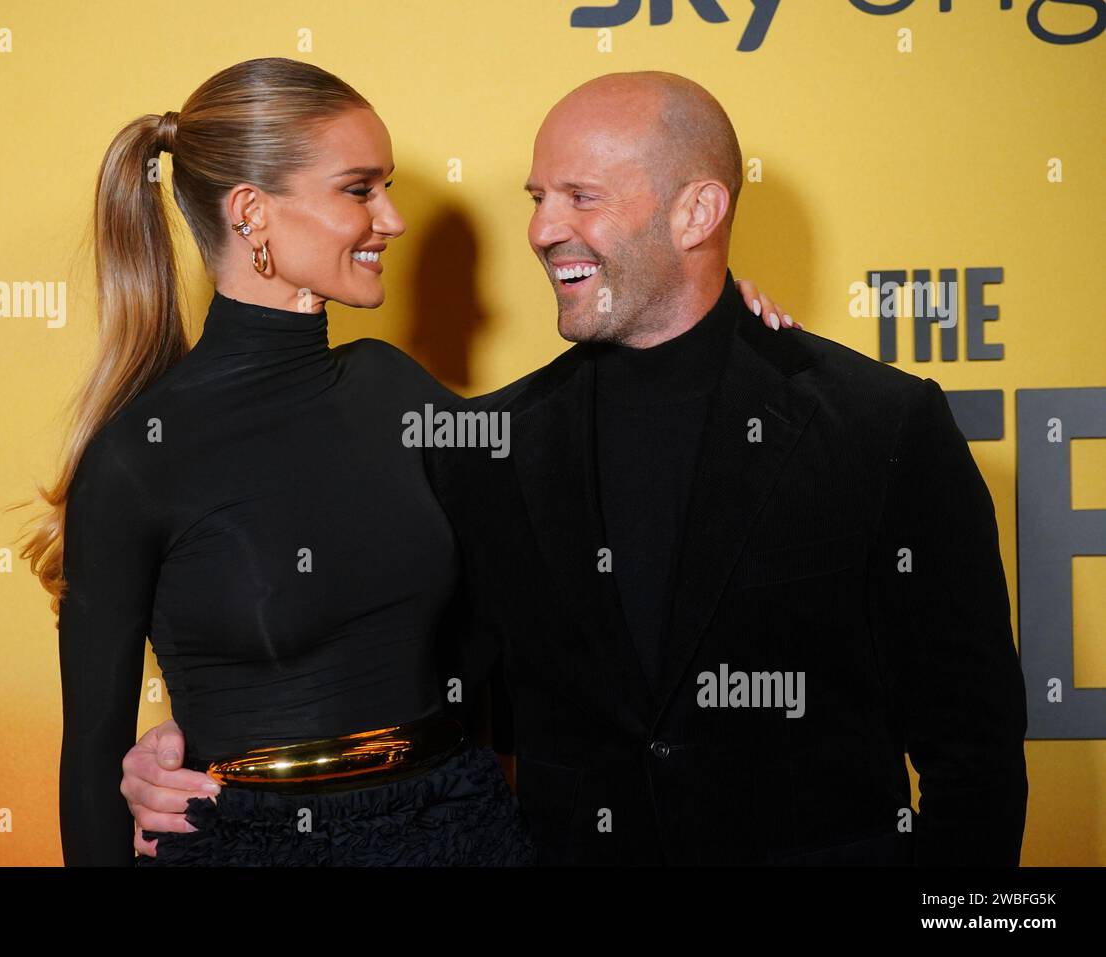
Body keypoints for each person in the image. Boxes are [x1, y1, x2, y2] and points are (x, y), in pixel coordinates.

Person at [123, 69, 1028, 867]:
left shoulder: (881, 422)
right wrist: (202, 741)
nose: (542, 229)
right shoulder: (486, 441)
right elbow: (406, 674)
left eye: (581, 197)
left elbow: (974, 755)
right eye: (536, 196)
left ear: (697, 212)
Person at [22, 58, 792, 866]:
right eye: (359, 189)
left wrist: (712, 336)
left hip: (461, 829)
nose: (391, 218)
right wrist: (163, 756)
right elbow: (91, 764)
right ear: (251, 214)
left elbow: (587, 475)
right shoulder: (136, 460)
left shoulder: (395, 392)